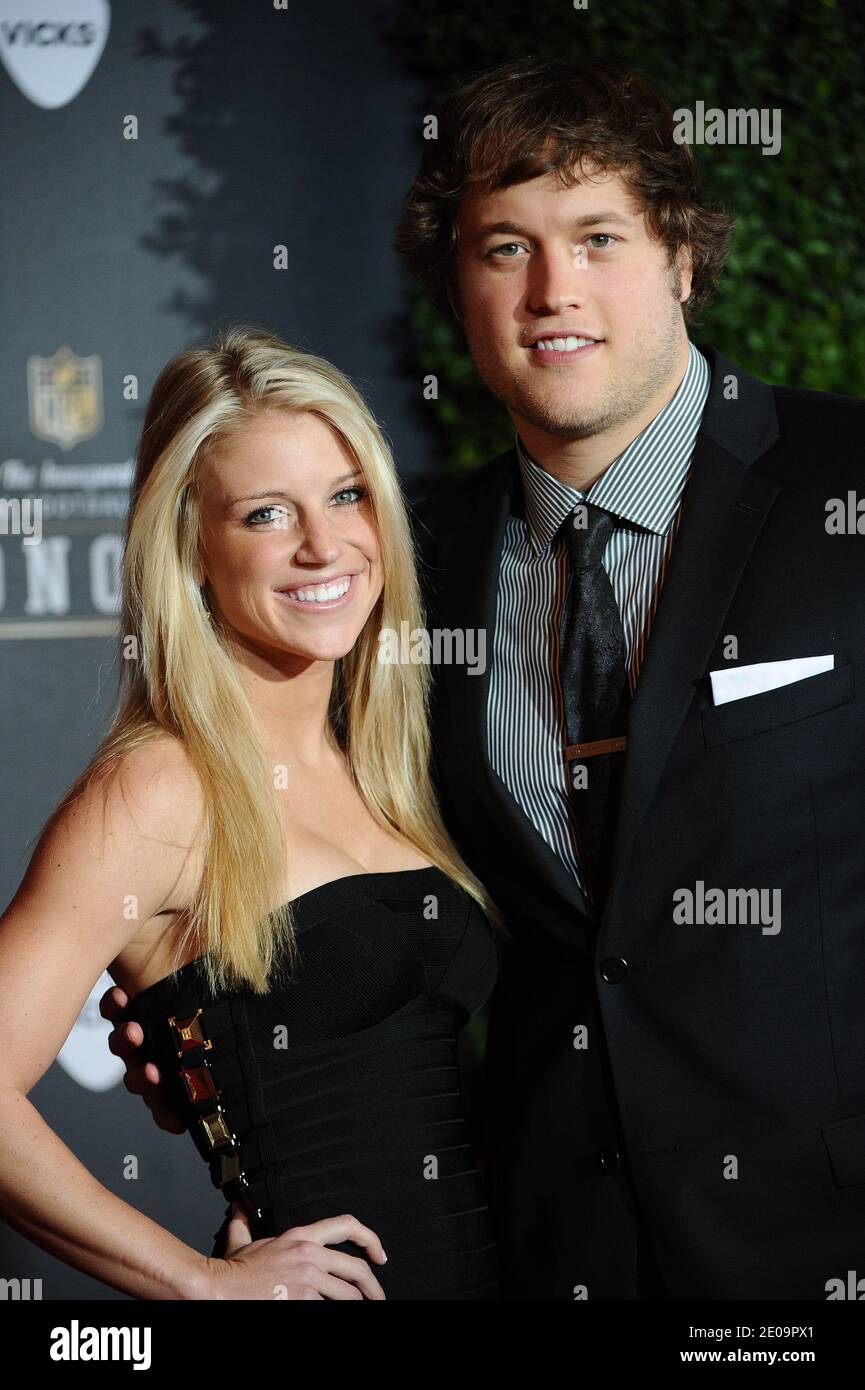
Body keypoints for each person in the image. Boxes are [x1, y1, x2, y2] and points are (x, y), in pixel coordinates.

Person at [112, 56, 865, 1301]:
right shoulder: (404, 568)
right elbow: (327, 866)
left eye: (598, 236)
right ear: (457, 287)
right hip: (540, 1249)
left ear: (681, 255)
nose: (552, 290)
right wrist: (199, 1029)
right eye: (504, 247)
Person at [0, 326, 503, 1301]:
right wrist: (199, 1283)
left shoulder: (384, 764)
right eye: (268, 514)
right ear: (190, 546)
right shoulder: (159, 790)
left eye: (346, 495)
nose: (324, 544)